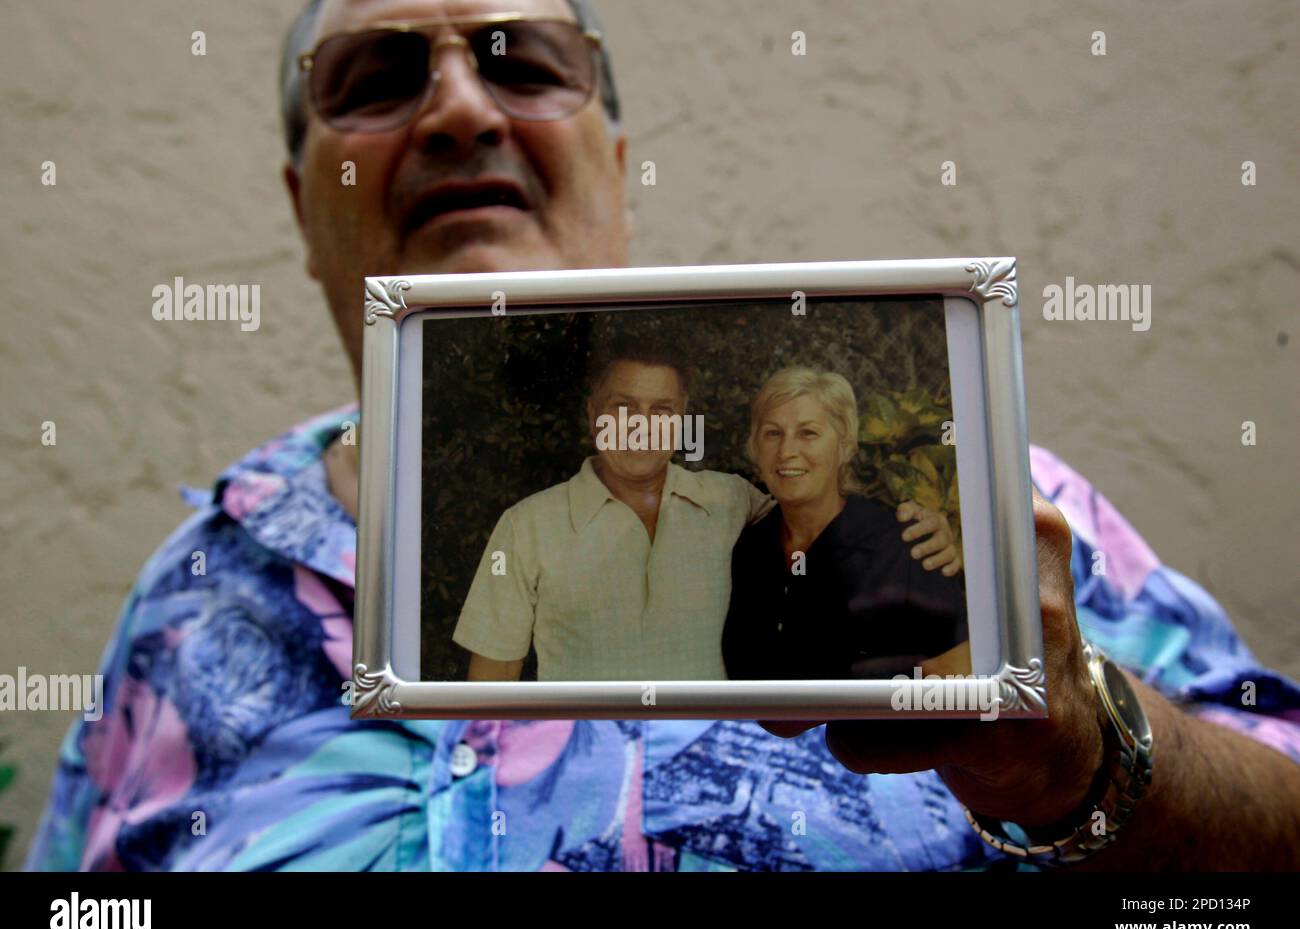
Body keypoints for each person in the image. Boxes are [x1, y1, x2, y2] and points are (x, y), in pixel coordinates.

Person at [24, 0, 1300, 871]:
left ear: (615, 158)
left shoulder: (984, 504)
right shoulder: (191, 596)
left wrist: (1085, 754)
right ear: (302, 207)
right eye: (377, 79)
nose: (460, 108)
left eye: (525, 63)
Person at [452, 341, 958, 682]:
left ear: (681, 420)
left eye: (662, 410)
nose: (640, 426)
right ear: (593, 414)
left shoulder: (731, 502)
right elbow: (489, 696)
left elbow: (821, 511)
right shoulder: (526, 527)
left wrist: (934, 527)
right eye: (622, 407)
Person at [723, 368, 970, 681]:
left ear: (845, 445)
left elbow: (960, 687)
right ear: (754, 448)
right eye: (773, 433)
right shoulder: (748, 547)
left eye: (808, 433)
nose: (786, 451)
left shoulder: (908, 547)